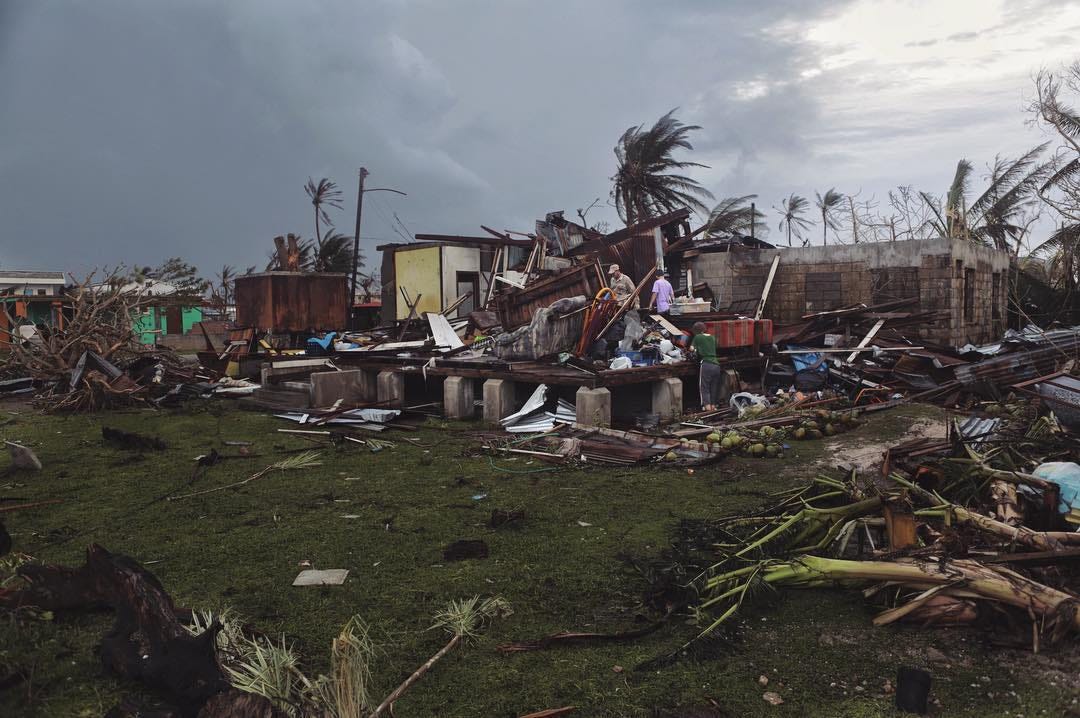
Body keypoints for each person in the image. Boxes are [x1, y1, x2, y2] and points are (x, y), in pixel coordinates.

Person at [691, 321, 724, 411]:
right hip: (716, 365)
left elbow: (692, 349)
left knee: (704, 387)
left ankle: (708, 409)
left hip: (706, 364)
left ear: (695, 331)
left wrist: (694, 351)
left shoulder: (697, 337)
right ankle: (713, 407)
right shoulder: (712, 337)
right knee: (714, 387)